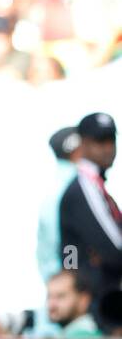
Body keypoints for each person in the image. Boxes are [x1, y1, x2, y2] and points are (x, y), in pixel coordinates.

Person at [58, 112, 122, 297]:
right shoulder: (85, 187)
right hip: (94, 299)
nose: (108, 148)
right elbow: (114, 249)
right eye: (100, 141)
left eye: (112, 140)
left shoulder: (95, 185)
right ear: (83, 144)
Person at [38, 126, 83, 281]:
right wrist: (73, 273)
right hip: (70, 285)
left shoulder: (59, 187)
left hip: (62, 282)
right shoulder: (71, 188)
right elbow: (68, 241)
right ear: (76, 151)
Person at [44, 269, 102, 339]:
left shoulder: (85, 338)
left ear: (83, 300)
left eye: (60, 296)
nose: (52, 304)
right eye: (49, 296)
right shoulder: (64, 336)